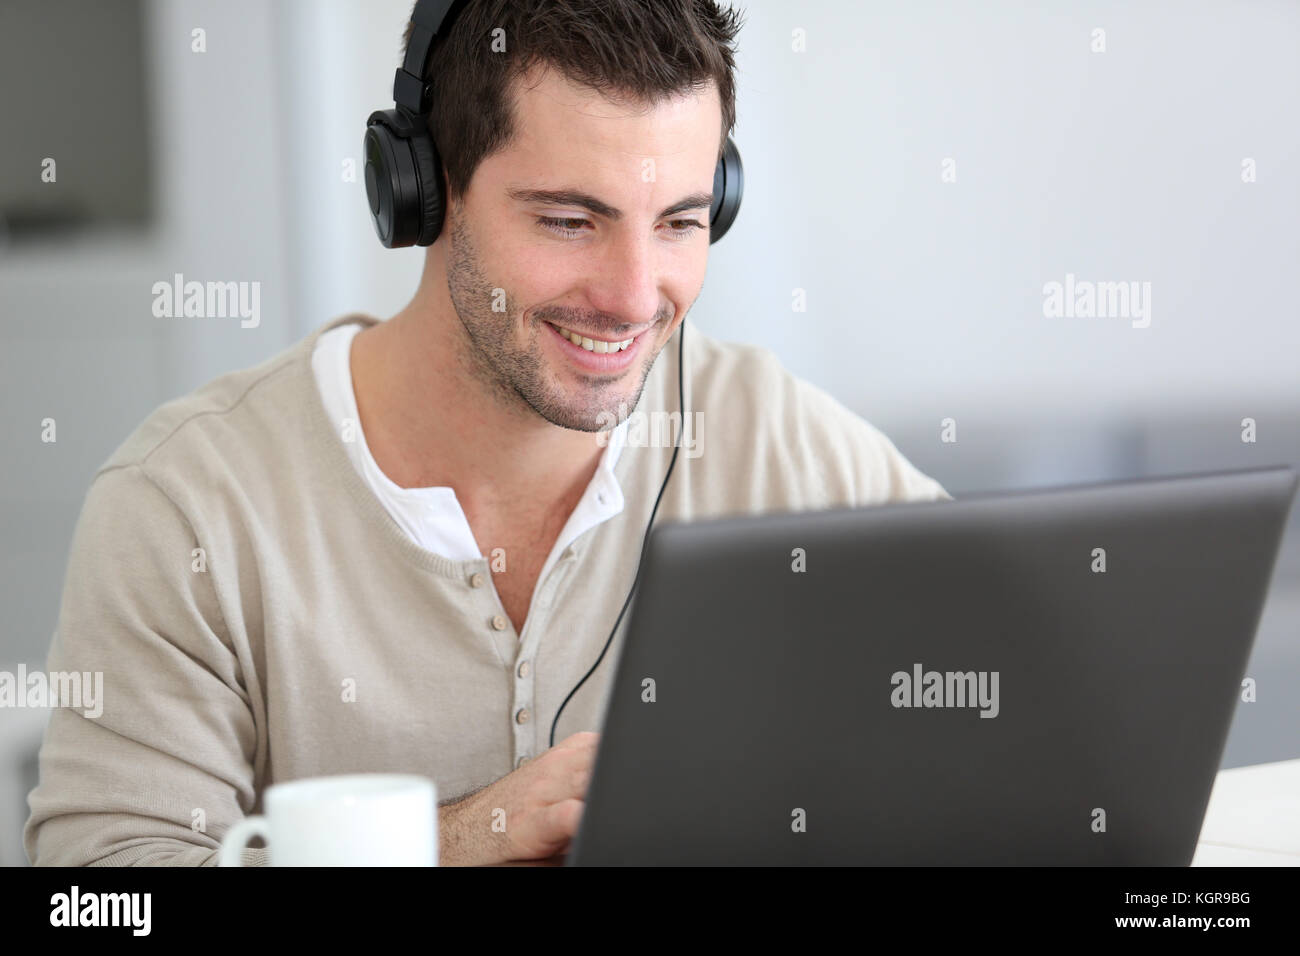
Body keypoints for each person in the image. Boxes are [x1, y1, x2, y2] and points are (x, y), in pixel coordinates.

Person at [25, 0, 948, 867]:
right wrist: (451, 843)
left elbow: (1030, 722)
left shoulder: (778, 441)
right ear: (423, 190)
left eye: (679, 223)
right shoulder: (185, 507)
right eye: (568, 220)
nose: (633, 296)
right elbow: (99, 901)